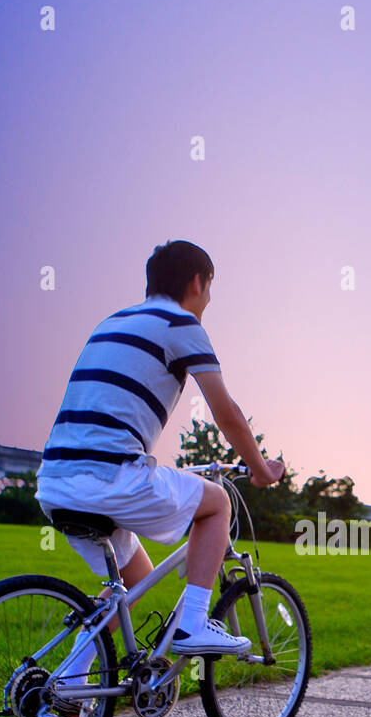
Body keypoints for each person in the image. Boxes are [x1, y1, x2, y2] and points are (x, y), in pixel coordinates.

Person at [36, 240, 284, 675]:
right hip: (112, 476)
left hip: (56, 481)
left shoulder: (112, 321)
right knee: (217, 503)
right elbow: (226, 412)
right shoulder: (181, 323)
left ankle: (69, 681)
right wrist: (261, 470)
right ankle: (193, 623)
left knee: (133, 581)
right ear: (197, 281)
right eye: (210, 288)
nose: (209, 299)